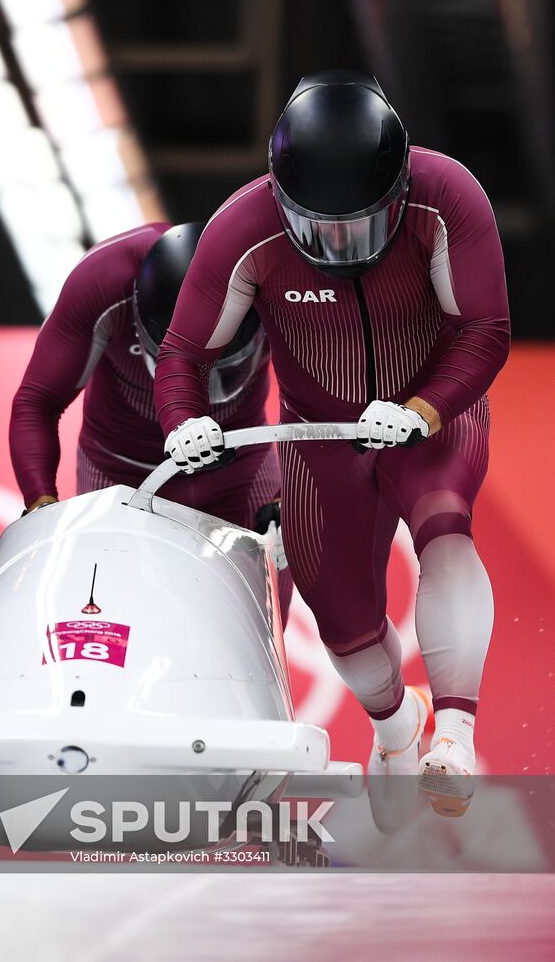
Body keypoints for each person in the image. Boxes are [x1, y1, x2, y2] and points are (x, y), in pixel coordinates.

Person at [154, 71, 510, 826]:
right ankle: (397, 728)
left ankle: (454, 735)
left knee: (444, 523)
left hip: (429, 415)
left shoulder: (448, 197)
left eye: (363, 225)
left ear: (400, 193)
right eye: (319, 228)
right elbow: (183, 351)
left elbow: (484, 330)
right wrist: (182, 421)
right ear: (281, 200)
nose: (341, 245)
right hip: (320, 438)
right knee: (343, 621)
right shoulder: (242, 230)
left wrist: (422, 410)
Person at [9, 221, 293, 621]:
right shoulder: (103, 283)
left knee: (258, 619)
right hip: (123, 476)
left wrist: (287, 497)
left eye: (222, 371)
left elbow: (318, 394)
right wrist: (41, 504)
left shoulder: (269, 277)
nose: (204, 393)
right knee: (118, 623)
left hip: (238, 469)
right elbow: (38, 401)